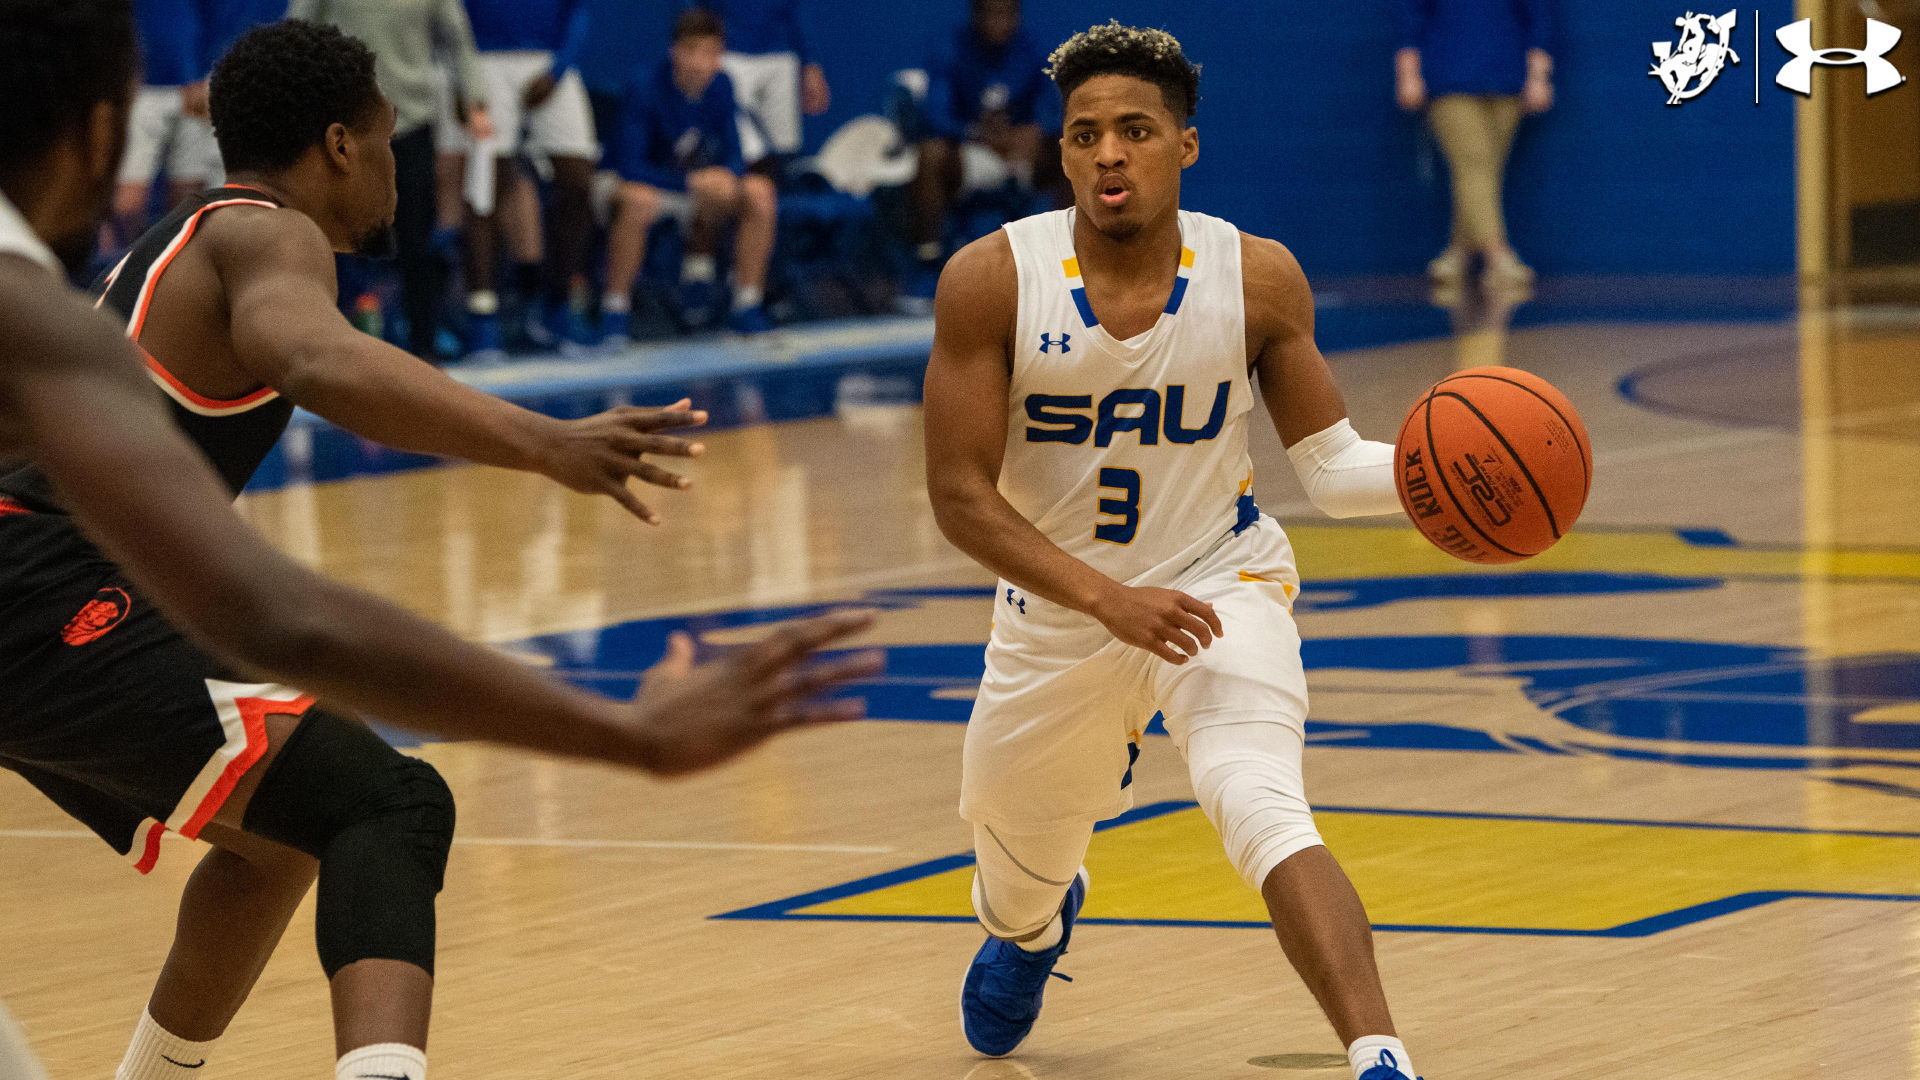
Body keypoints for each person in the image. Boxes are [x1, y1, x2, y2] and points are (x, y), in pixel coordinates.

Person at [0, 10, 880, 1080]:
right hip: (47, 585)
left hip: (59, 584)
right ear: (340, 145)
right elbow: (317, 360)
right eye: (386, 141)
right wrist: (547, 442)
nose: (396, 169)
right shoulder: (268, 232)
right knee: (392, 802)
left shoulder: (186, 235)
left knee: (283, 835)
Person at [923, 22, 1427, 1080]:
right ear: (1062, 153)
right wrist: (1108, 601)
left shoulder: (1259, 277)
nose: (1110, 153)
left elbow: (1332, 469)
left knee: (1260, 799)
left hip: (1215, 582)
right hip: (1056, 618)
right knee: (1012, 888)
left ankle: (1381, 1056)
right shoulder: (991, 279)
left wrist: (1445, 480)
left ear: (1184, 145)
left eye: (1137, 130)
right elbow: (960, 498)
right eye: (1085, 135)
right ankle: (1036, 925)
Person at [289, 0, 494, 361]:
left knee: (416, 238)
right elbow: (297, 31)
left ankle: (424, 348)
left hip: (411, 120)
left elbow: (458, 36)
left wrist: (475, 100)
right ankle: (322, 344)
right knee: (328, 235)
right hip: (343, 121)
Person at [604, 7, 776, 341]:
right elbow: (629, 166)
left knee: (758, 191)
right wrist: (690, 183)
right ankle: (615, 312)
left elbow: (735, 154)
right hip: (629, 183)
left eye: (710, 54)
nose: (700, 63)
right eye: (692, 52)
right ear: (674, 52)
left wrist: (726, 177)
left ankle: (746, 305)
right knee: (639, 200)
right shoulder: (644, 84)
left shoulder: (722, 85)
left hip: (688, 187)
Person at [901, 0, 1061, 311]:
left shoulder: (1033, 50)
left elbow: (1053, 114)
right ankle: (928, 266)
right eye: (992, 13)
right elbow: (936, 116)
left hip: (1021, 155)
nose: (1000, 21)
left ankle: (1070, 260)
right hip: (970, 153)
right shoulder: (949, 49)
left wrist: (1030, 133)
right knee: (930, 154)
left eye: (1008, 13)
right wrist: (977, 134)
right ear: (976, 14)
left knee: (1069, 150)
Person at [460, 0, 599, 356]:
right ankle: (482, 317)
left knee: (578, 181)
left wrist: (559, 68)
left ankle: (556, 307)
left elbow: (582, 10)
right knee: (484, 188)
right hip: (485, 59)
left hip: (550, 60)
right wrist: (464, 72)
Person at [1396, 0, 1553, 287]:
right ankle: (1498, 258)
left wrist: (1538, 76)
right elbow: (1411, 15)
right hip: (1448, 78)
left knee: (1483, 174)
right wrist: (1408, 74)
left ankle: (1457, 254)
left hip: (1507, 77)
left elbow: (1537, 15)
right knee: (1473, 164)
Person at [113, 0, 222, 244]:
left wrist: (205, 73)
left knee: (189, 197)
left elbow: (217, 17)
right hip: (140, 89)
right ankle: (115, 262)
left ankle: (179, 257)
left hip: (192, 90)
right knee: (126, 204)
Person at [687, 0, 830, 175]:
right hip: (731, 55)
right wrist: (708, 50)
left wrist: (810, 63)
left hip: (781, 54)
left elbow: (798, 9)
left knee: (784, 152)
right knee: (739, 150)